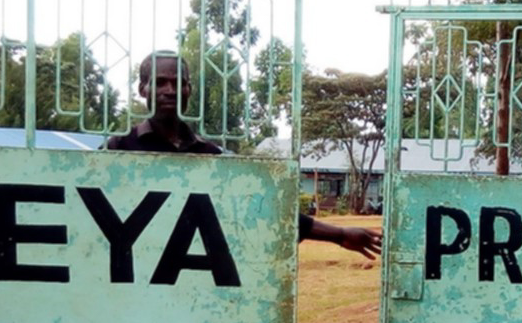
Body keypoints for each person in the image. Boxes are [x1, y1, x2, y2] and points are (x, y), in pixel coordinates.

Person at [106, 52, 382, 261]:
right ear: (143, 89)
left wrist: (340, 235)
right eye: (160, 83)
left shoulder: (210, 156)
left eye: (180, 83)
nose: (171, 91)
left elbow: (262, 209)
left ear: (189, 89)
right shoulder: (116, 151)